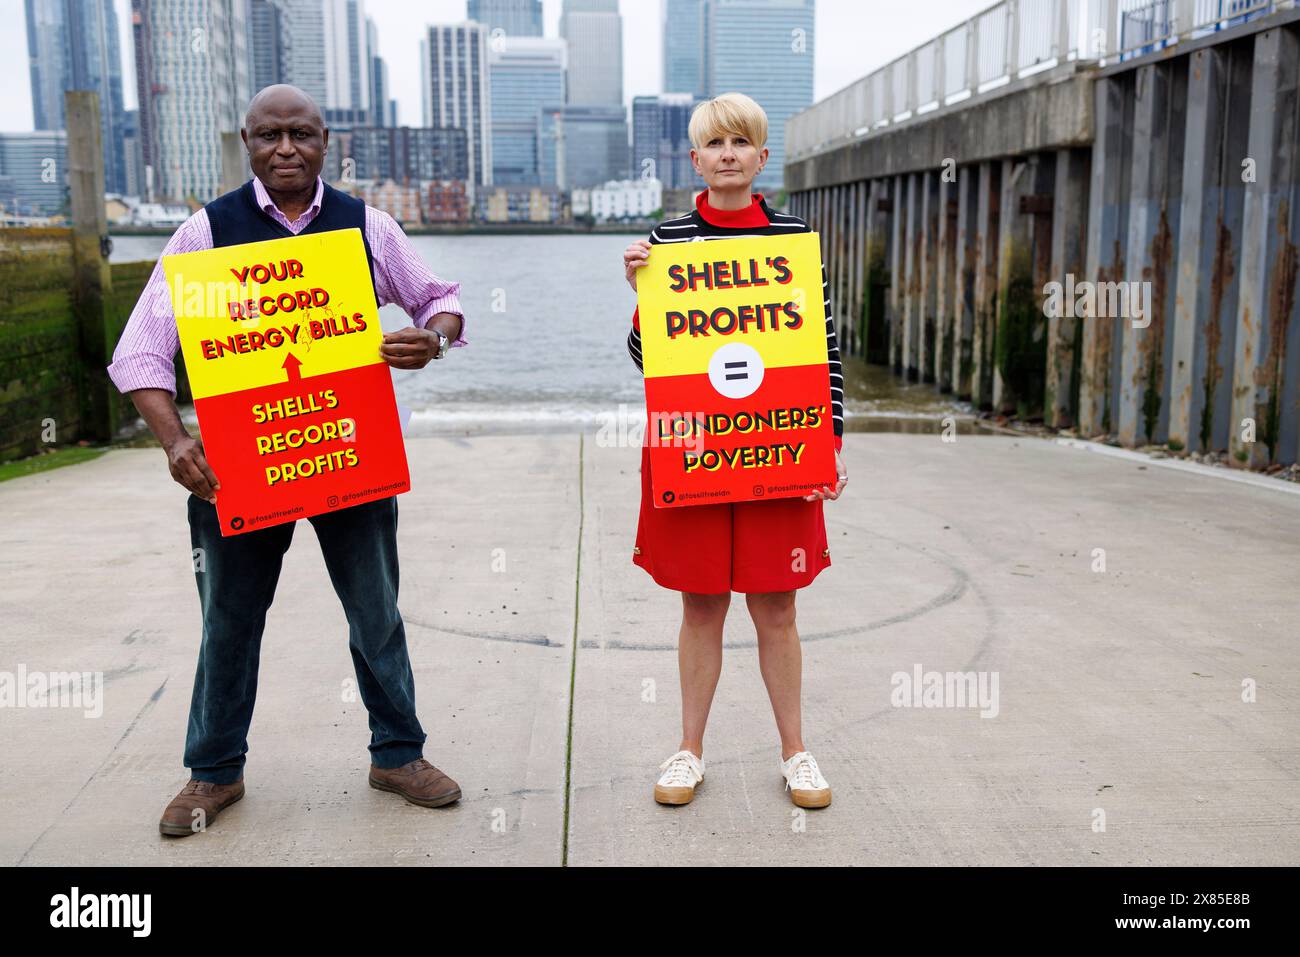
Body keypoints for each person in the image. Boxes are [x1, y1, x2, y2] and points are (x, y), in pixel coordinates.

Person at [107, 85, 467, 837]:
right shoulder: (205, 231)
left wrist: (431, 336)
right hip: (238, 460)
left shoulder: (367, 224)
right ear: (247, 139)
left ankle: (397, 753)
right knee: (229, 620)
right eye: (269, 135)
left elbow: (438, 297)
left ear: (325, 139)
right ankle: (213, 771)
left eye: (300, 134)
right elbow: (139, 351)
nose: (285, 148)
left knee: (375, 611)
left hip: (347, 450)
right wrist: (176, 438)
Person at [623, 92, 847, 810]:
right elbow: (646, 359)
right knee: (700, 604)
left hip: (775, 449)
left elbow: (822, 352)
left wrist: (829, 441)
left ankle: (796, 751)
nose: (726, 154)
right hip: (692, 449)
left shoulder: (792, 240)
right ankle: (688, 749)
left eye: (739, 142)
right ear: (695, 158)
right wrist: (638, 292)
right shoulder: (666, 245)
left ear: (760, 157)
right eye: (713, 144)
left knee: (777, 606)